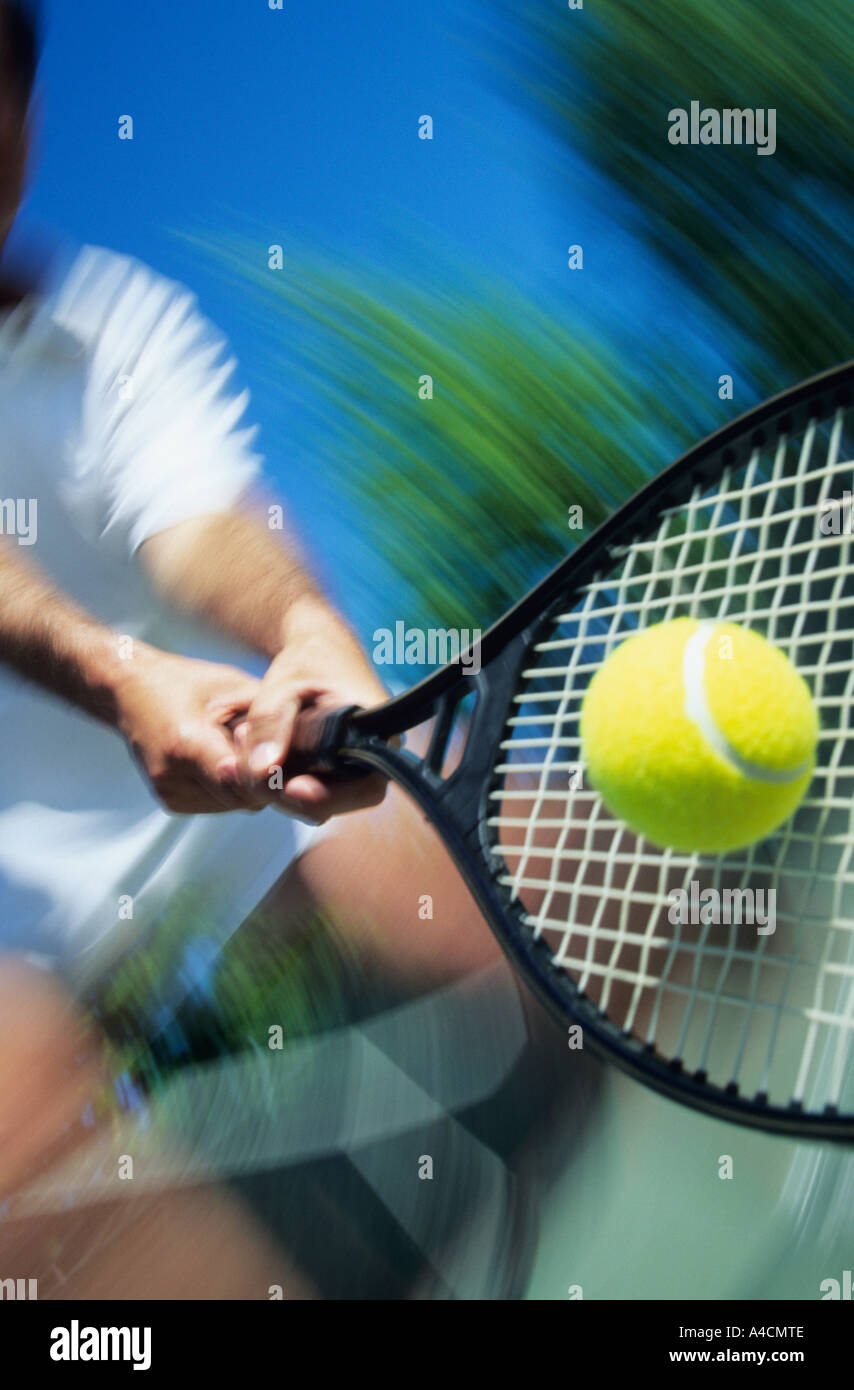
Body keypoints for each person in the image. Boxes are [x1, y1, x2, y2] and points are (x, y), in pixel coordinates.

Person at [0, 0, 513, 1298]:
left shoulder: (118, 328)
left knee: (531, 866)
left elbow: (204, 523)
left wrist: (307, 633)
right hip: (26, 970)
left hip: (248, 857)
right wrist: (119, 673)